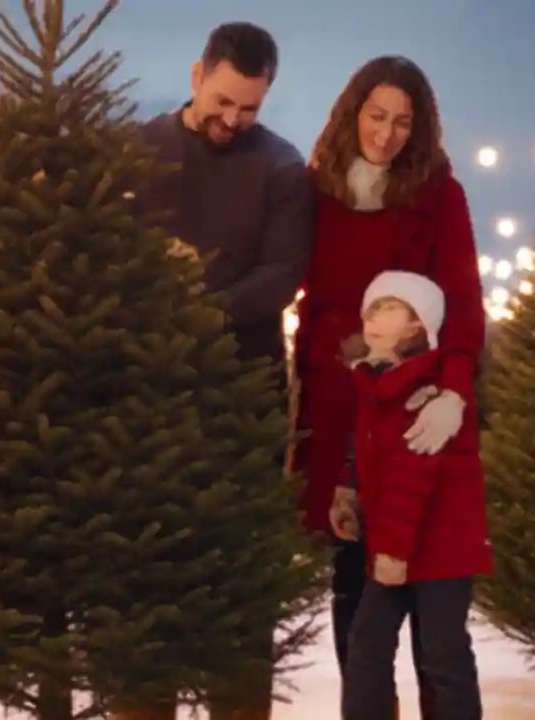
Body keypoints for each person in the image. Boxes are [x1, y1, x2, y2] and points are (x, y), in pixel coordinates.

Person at [127, 20, 314, 720]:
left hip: (244, 408)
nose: (233, 120)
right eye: (224, 102)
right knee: (145, 591)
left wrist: (195, 303)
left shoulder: (282, 169)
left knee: (239, 598)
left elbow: (280, 278)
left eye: (251, 109)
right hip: (146, 409)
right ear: (197, 74)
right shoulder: (137, 153)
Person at [291, 55, 488, 719]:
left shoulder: (438, 194)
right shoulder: (320, 190)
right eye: (376, 116)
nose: (386, 133)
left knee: (432, 597)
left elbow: (461, 302)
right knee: (357, 595)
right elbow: (315, 302)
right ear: (352, 113)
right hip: (339, 411)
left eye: (403, 122)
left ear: (421, 128)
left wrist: (455, 393)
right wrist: (303, 412)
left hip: (416, 408)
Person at [335, 270, 490, 720]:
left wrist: (394, 552)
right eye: (372, 308)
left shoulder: (429, 386)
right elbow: (367, 454)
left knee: (442, 653)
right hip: (398, 540)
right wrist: (349, 493)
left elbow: (413, 475)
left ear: (418, 324)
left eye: (390, 309)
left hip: (441, 543)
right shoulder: (375, 381)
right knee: (367, 643)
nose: (375, 319)